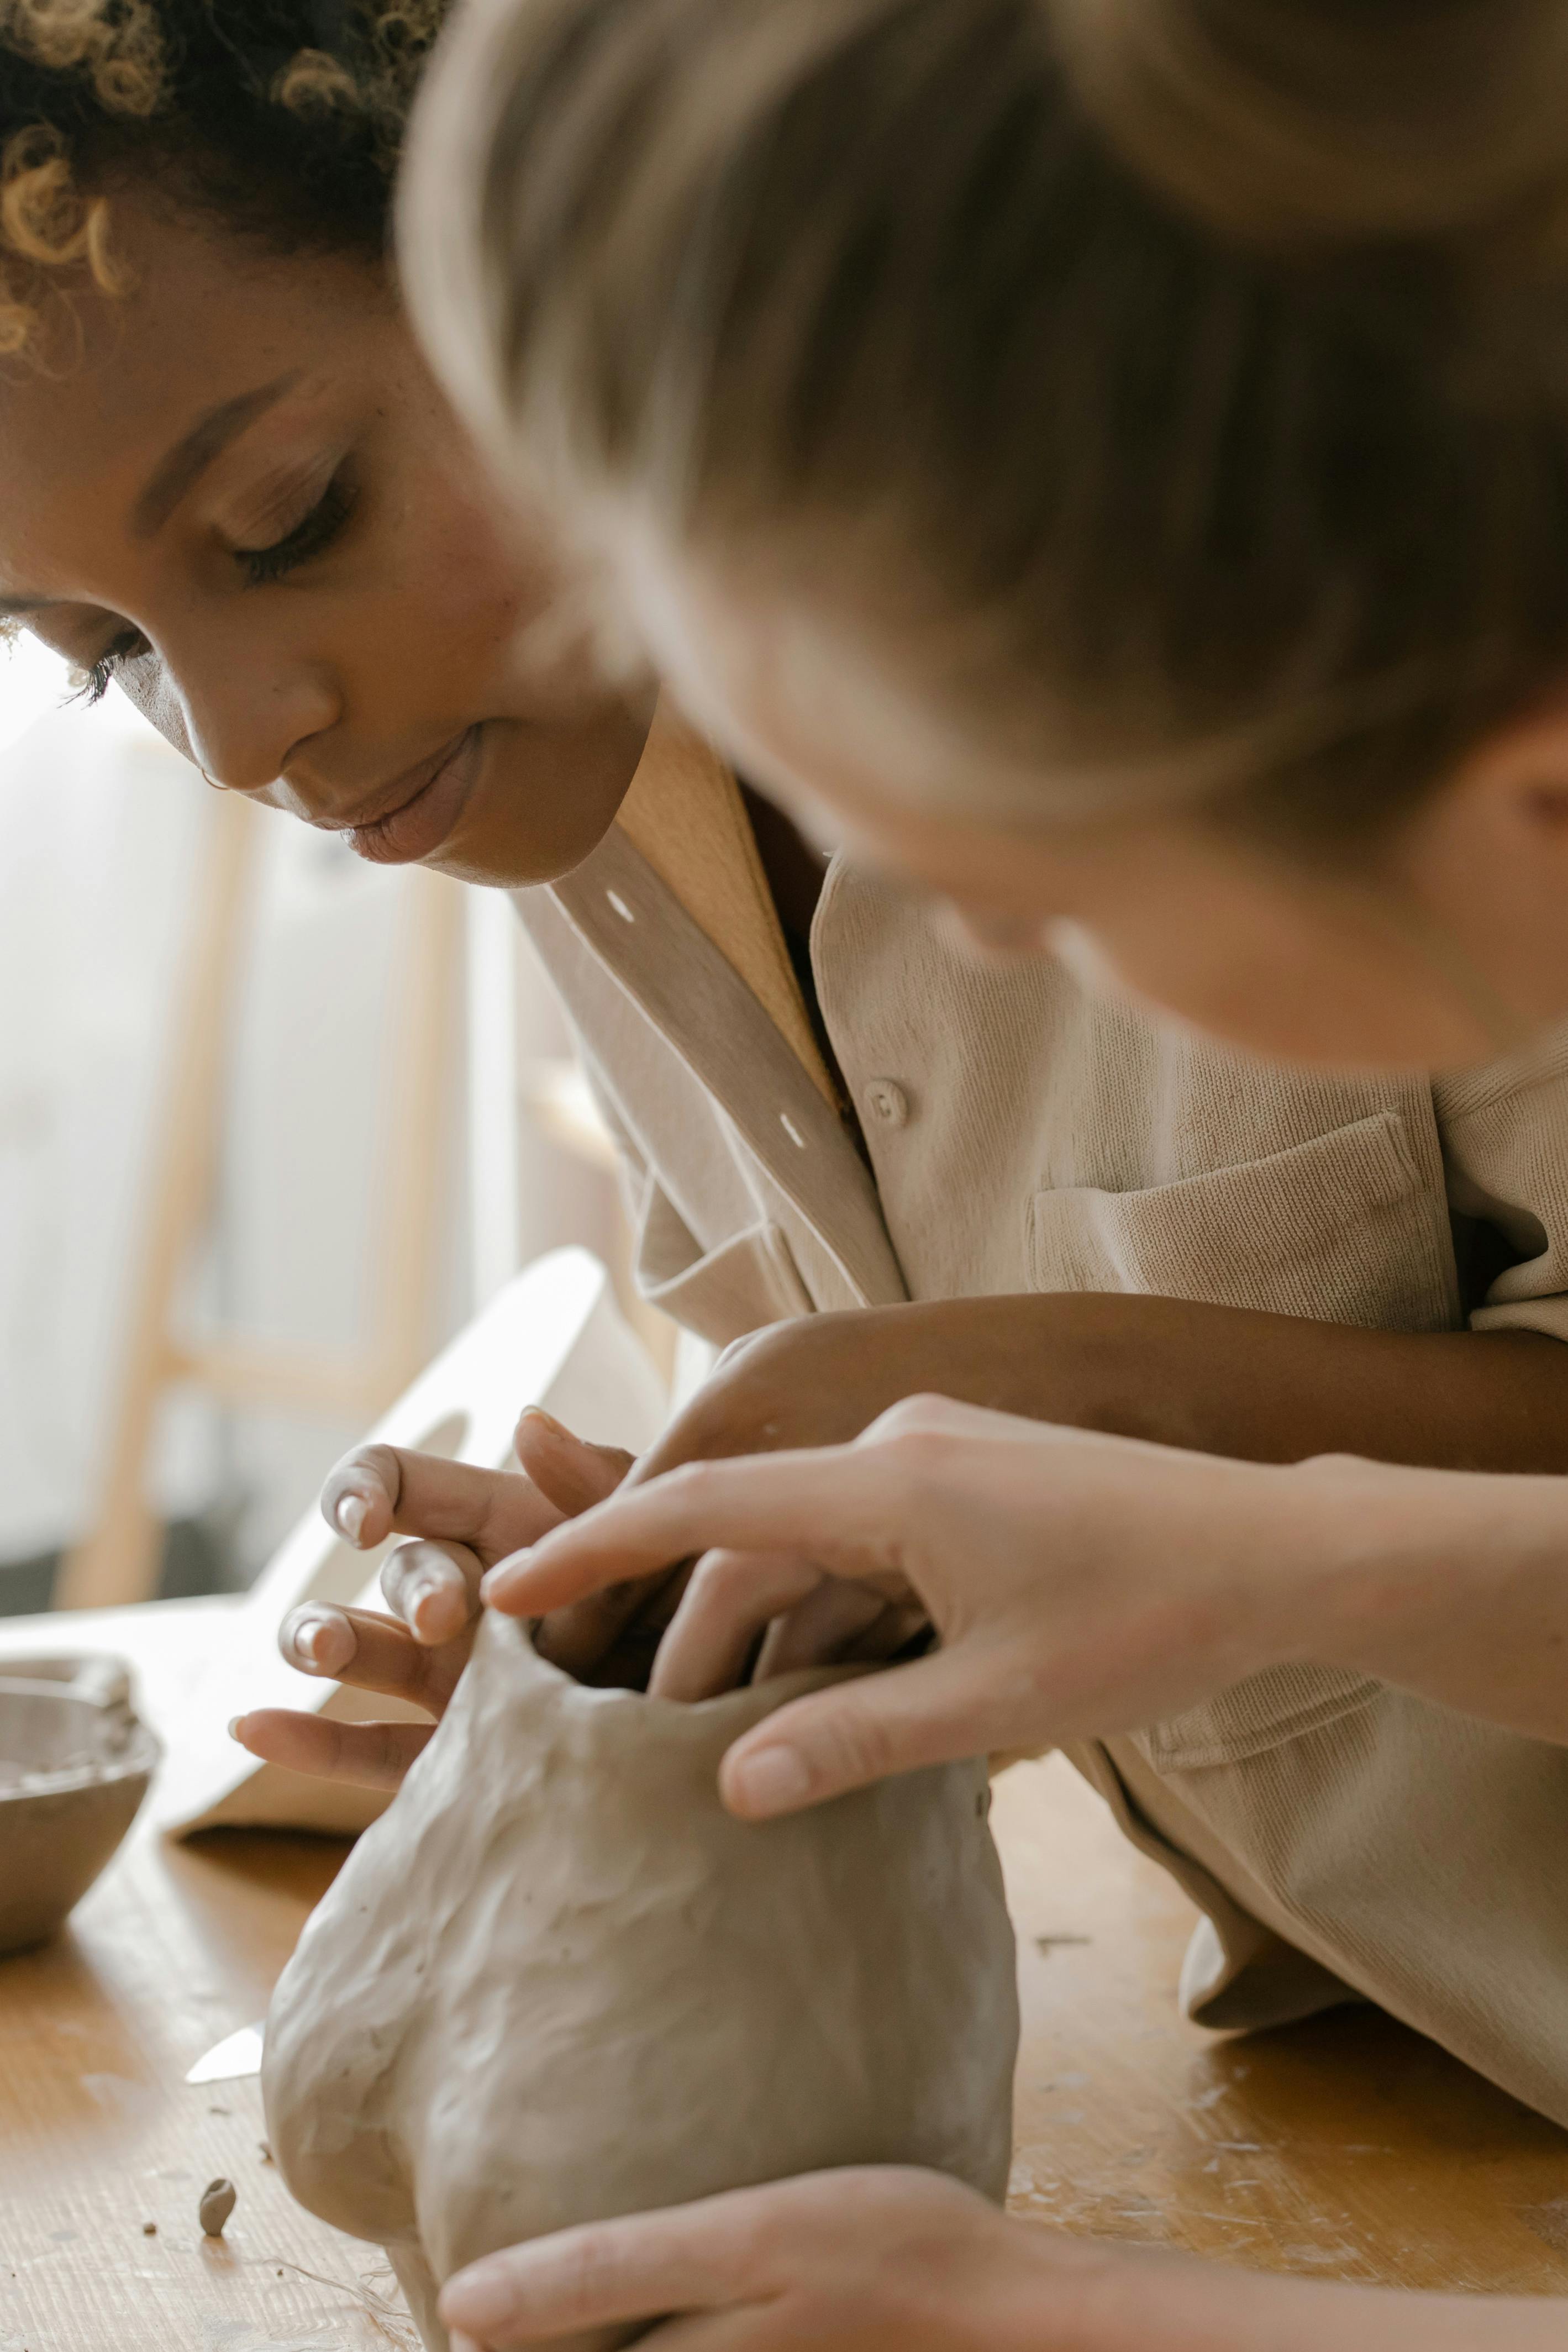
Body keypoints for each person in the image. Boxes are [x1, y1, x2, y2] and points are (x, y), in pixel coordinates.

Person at [15, 0, 1568, 2096]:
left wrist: (973, 1408)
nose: (237, 740)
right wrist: (713, 1587)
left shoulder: (1328, 590)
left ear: (584, 308)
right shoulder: (554, 794)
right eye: (101, 654)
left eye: (293, 516)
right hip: (1367, 2088)